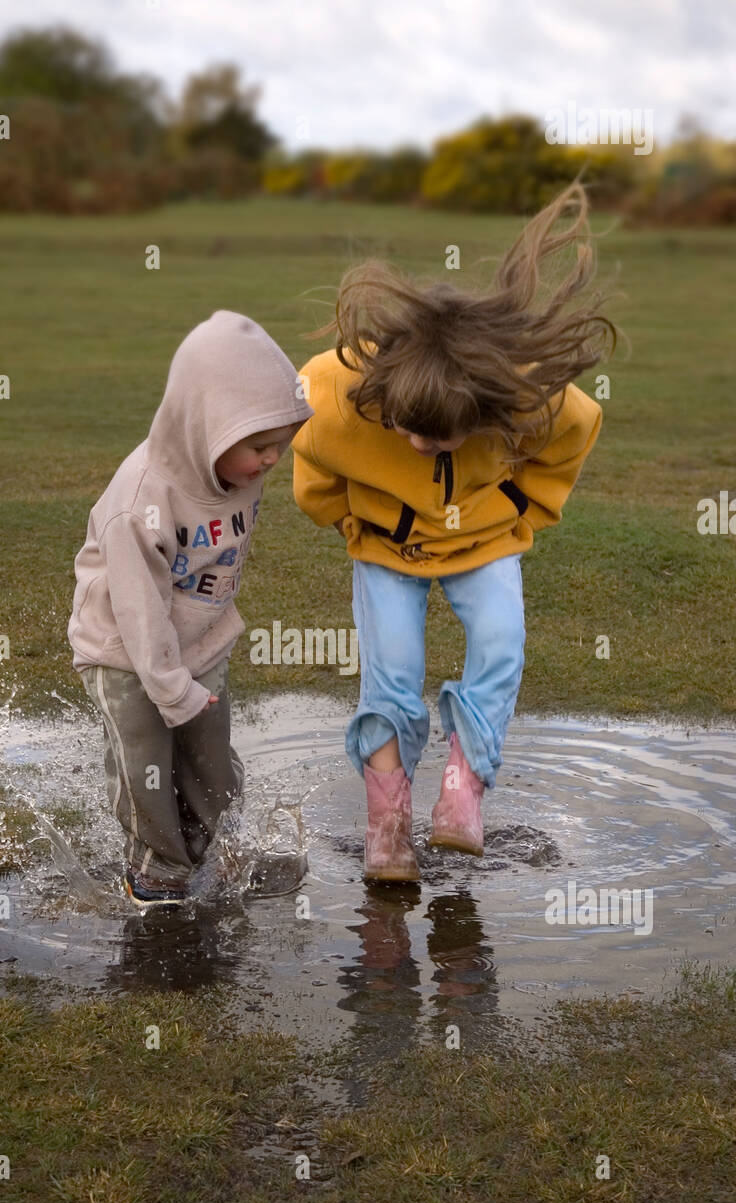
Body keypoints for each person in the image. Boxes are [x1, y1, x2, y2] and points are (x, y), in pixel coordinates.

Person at [292, 182, 616, 882]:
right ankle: (387, 828)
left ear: (483, 412)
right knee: (393, 674)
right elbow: (307, 455)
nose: (418, 446)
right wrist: (348, 519)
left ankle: (462, 795)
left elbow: (575, 434)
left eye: (441, 438)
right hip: (385, 547)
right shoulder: (336, 396)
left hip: (486, 540)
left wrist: (525, 511)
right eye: (407, 429)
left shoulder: (524, 394)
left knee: (501, 645)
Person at [68, 310, 313, 905]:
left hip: (199, 643)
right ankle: (158, 874)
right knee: (146, 767)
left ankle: (218, 856)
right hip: (127, 653)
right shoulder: (140, 504)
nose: (272, 460)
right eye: (260, 445)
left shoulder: (238, 468)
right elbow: (139, 612)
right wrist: (169, 687)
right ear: (207, 429)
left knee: (211, 766)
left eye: (280, 444)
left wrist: (193, 672)